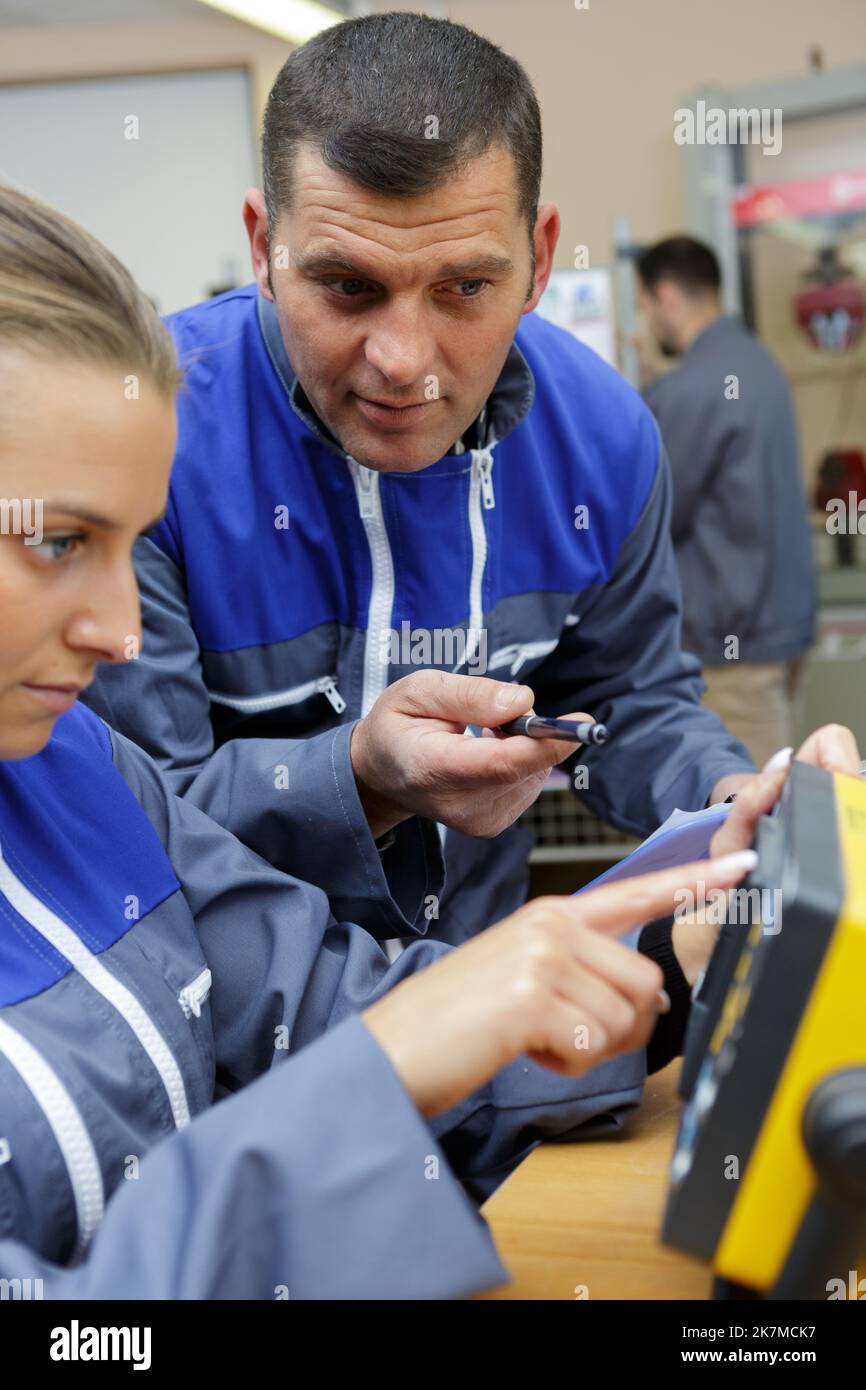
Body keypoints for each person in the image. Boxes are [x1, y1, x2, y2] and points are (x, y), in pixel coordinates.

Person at [3, 184, 824, 1302]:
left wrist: (670, 965)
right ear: (264, 248)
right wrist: (380, 1064)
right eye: (59, 541)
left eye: (131, 543)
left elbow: (317, 998)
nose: (122, 632)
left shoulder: (78, 771)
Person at [83, 11, 775, 947]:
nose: (404, 362)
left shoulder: (604, 441)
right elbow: (135, 817)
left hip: (482, 991)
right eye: (347, 286)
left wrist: (735, 798)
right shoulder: (142, 441)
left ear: (538, 259)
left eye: (464, 288)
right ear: (263, 249)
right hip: (218, 1031)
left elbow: (632, 701)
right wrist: (359, 781)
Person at [636, 235, 817, 769]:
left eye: (646, 307)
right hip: (778, 631)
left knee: (744, 822)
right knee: (776, 798)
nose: (648, 323)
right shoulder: (756, 364)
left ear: (665, 297)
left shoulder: (694, 385)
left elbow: (655, 515)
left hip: (730, 649)